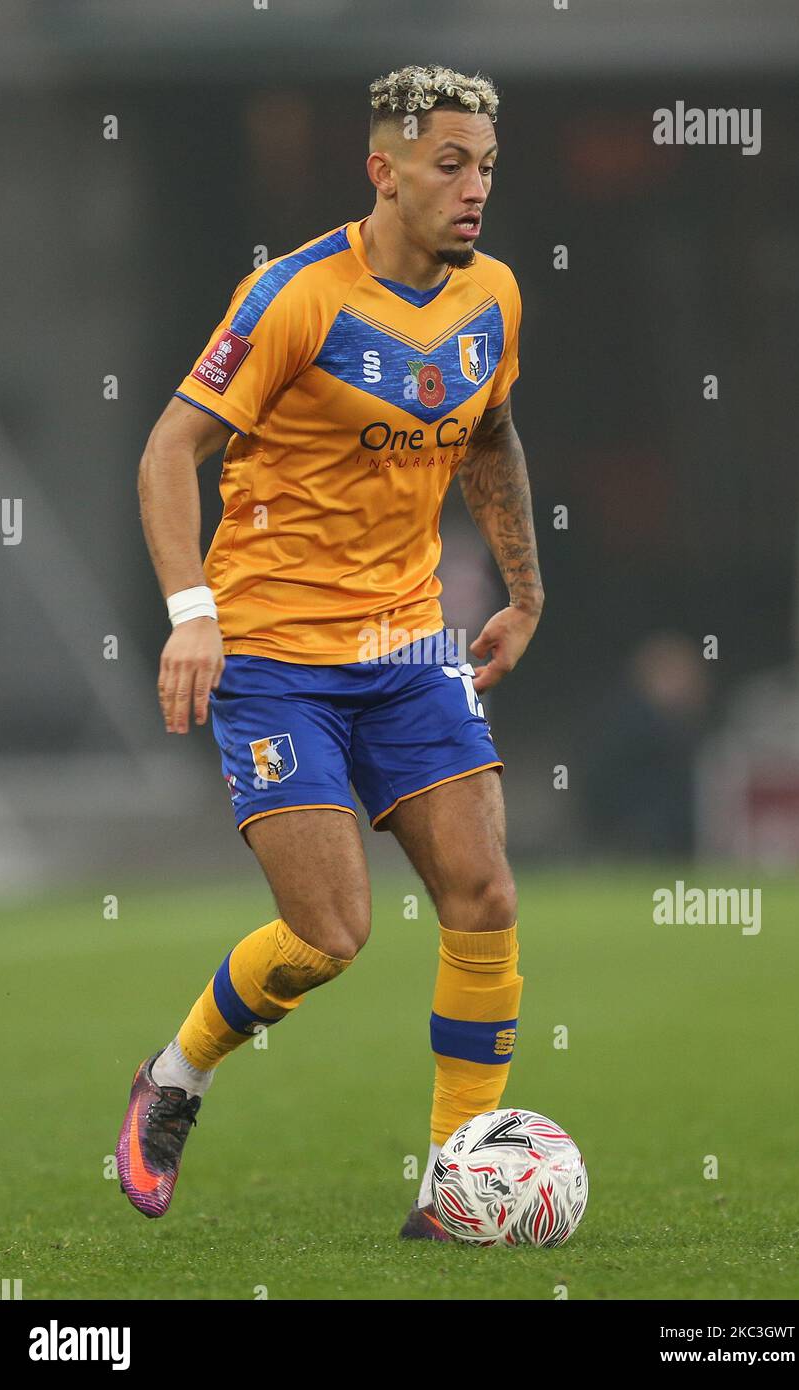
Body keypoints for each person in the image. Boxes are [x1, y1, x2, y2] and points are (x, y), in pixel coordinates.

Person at [117, 63, 543, 1240]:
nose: (472, 191)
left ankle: (456, 1181)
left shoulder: (494, 295)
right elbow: (165, 452)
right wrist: (189, 609)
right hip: (273, 653)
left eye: (486, 168)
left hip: (409, 647)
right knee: (329, 935)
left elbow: (491, 430)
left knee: (484, 893)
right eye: (449, 165)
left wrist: (521, 584)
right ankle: (175, 1077)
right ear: (384, 168)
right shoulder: (293, 296)